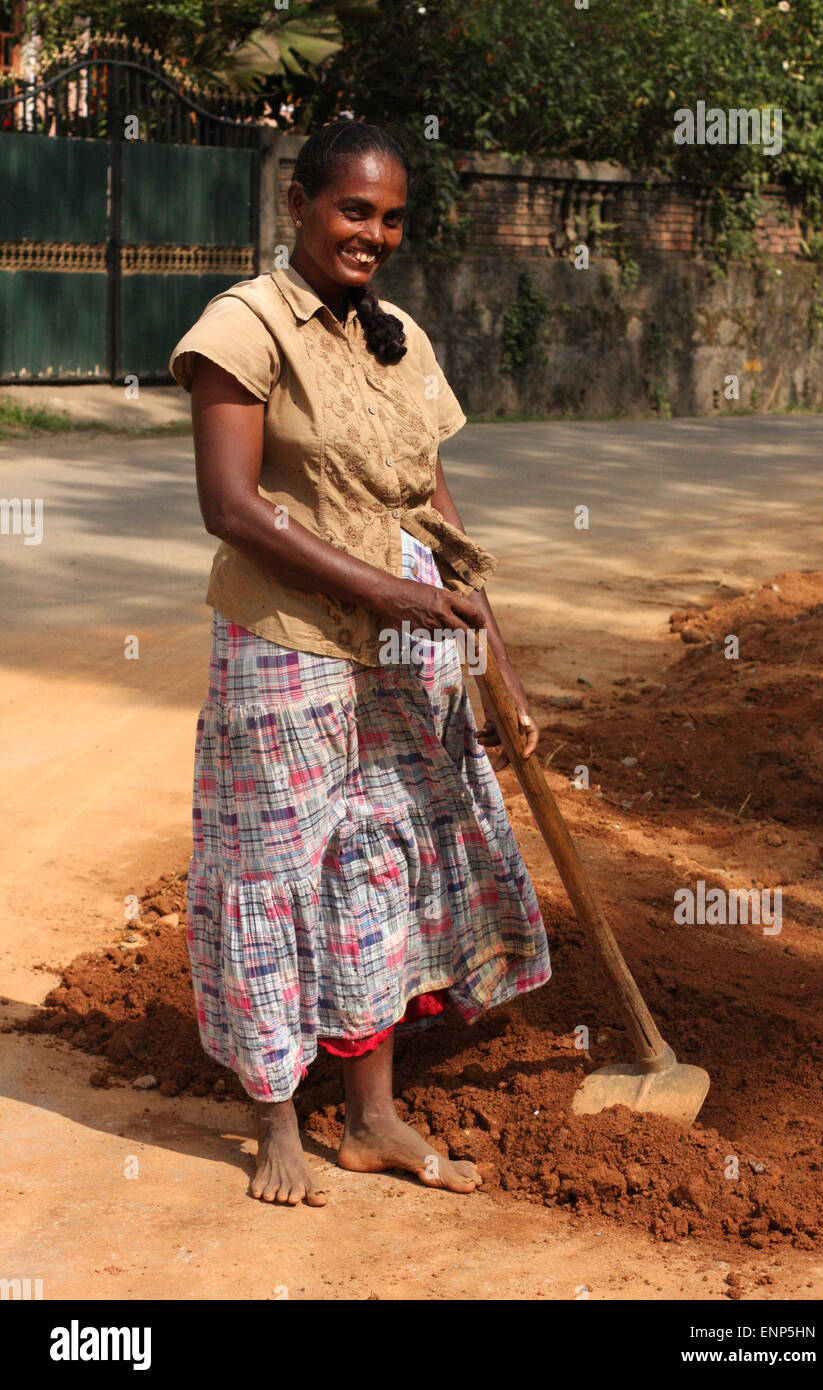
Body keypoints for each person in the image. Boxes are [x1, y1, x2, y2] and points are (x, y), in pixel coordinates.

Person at [169, 119, 551, 1207]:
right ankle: (274, 1116)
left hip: (404, 647)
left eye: (389, 218)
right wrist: (383, 589)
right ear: (299, 204)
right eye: (351, 210)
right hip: (285, 644)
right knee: (273, 871)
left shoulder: (397, 337)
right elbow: (231, 507)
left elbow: (434, 508)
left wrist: (496, 661)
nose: (371, 234)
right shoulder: (243, 328)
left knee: (376, 864)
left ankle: (370, 1115)